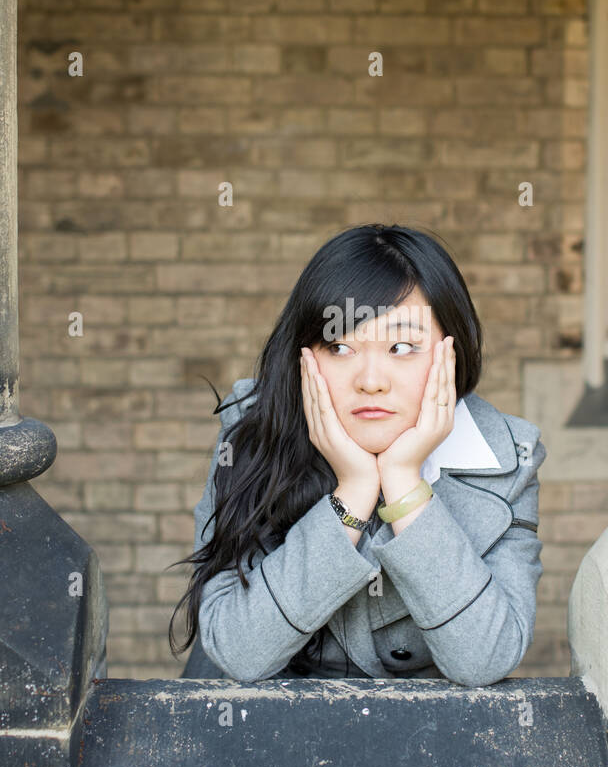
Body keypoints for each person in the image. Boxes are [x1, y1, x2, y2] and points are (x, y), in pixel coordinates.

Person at [169, 224, 546, 687]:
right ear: (304, 355)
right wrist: (352, 496)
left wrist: (405, 484)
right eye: (341, 346)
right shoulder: (252, 432)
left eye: (402, 347)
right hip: (255, 733)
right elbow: (239, 650)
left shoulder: (505, 461)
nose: (371, 380)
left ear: (452, 352)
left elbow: (486, 659)